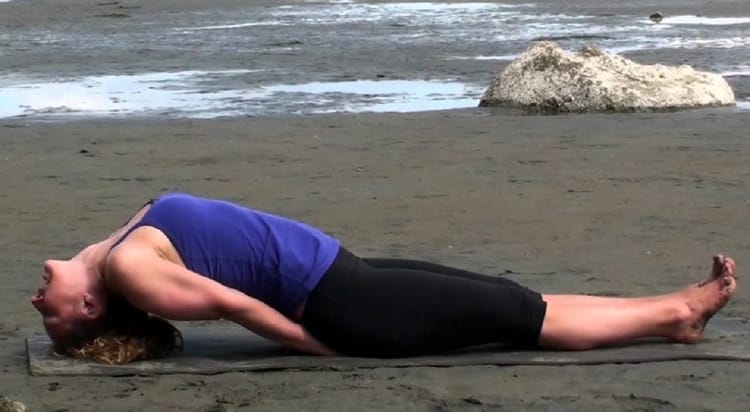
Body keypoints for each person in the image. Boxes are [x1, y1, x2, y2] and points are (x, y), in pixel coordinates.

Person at [31, 192, 738, 364]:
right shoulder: (128, 270)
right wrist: (314, 346)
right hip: (345, 306)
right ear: (91, 305)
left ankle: (668, 306)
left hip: (348, 275)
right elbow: (234, 303)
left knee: (512, 300)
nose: (37, 298)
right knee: (520, 315)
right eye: (50, 314)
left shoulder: (110, 247)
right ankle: (674, 318)